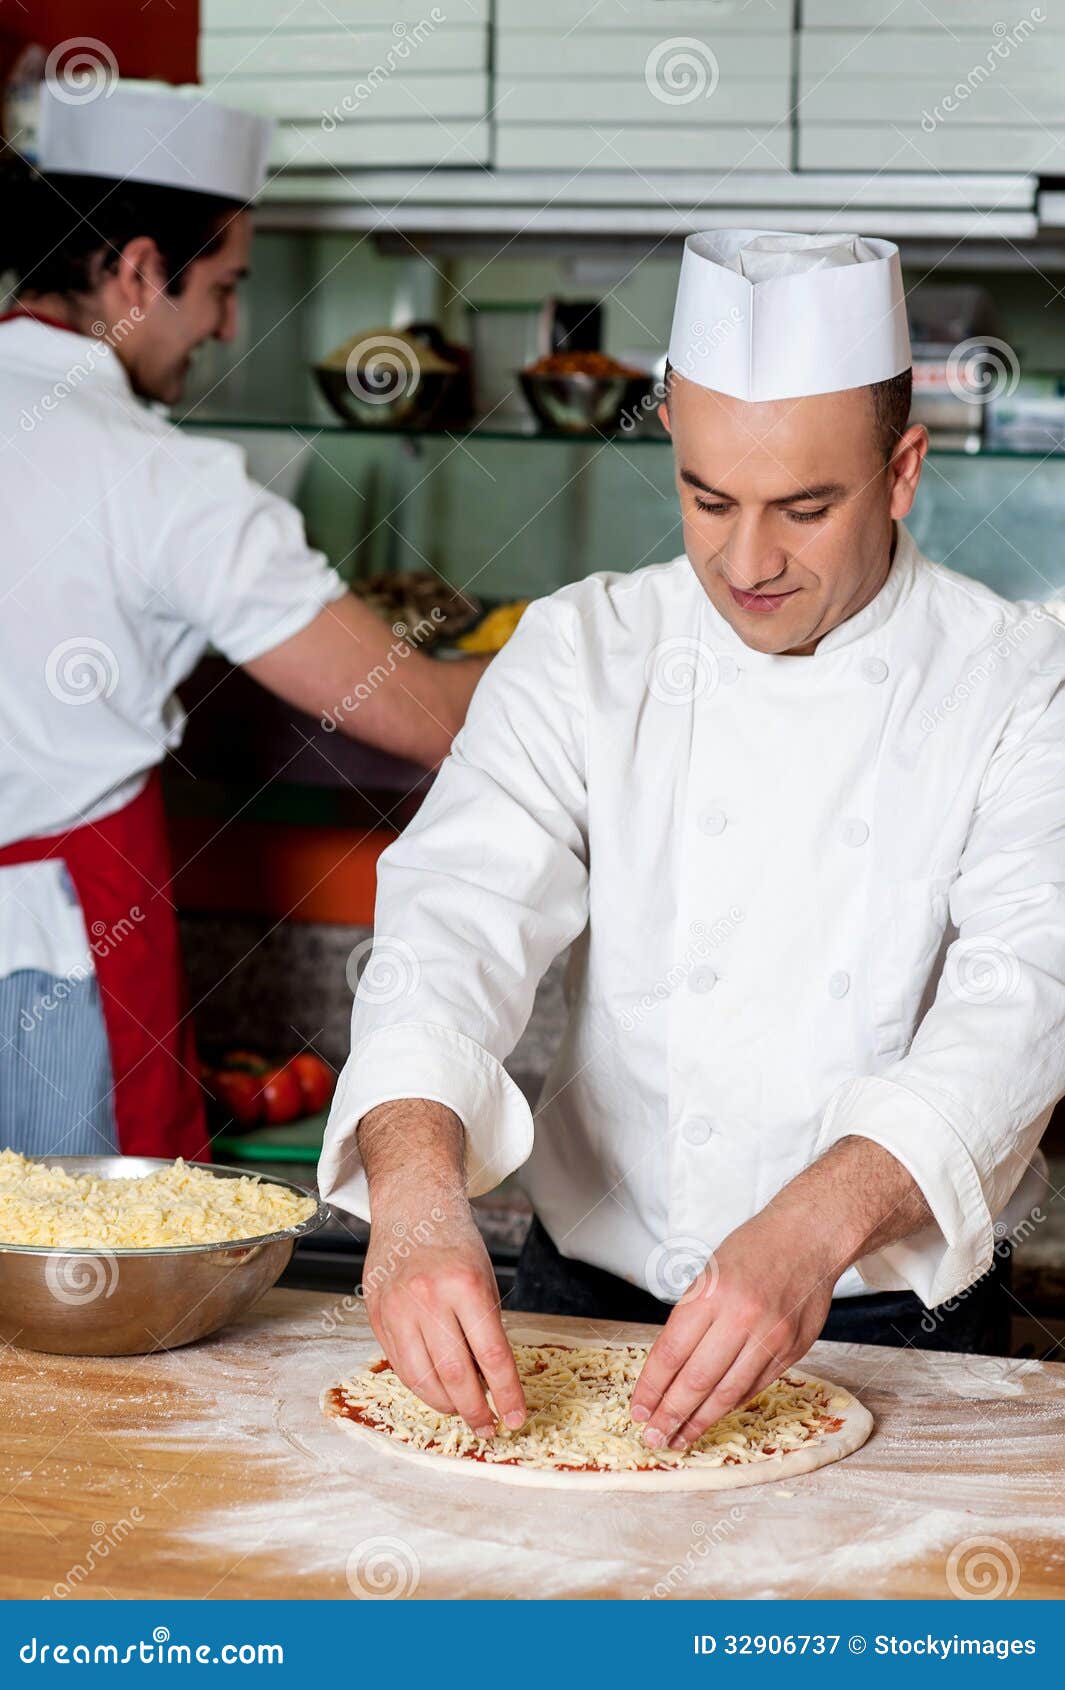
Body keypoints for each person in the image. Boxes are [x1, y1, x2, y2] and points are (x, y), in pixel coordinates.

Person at [318, 229, 1065, 1450]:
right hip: (582, 1316)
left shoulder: (1020, 681)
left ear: (904, 469)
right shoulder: (581, 652)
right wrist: (410, 1190)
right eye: (707, 497)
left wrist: (812, 1228)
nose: (746, 559)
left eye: (805, 507)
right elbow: (453, 918)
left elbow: (1026, 994)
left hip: (892, 1329)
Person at [0, 82, 485, 1162]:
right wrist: (613, 644)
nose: (225, 325)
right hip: (57, 957)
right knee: (94, 1290)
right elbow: (420, 715)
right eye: (221, 287)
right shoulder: (163, 476)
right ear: (133, 271)